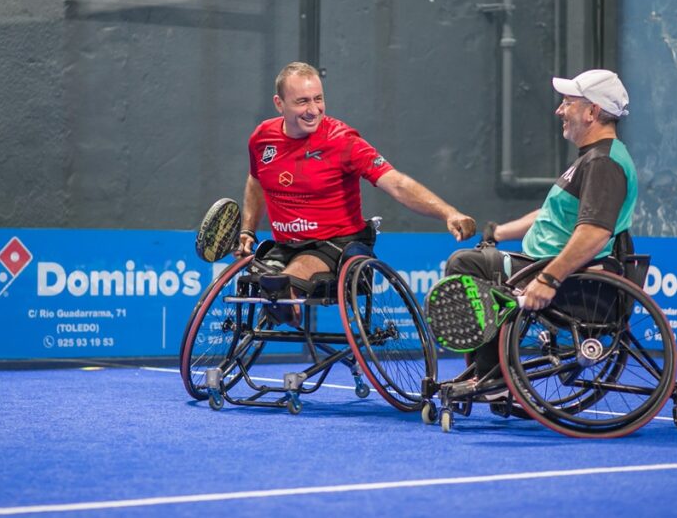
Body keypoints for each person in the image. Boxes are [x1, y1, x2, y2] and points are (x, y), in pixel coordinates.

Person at [237, 62, 476, 323]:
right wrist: (248, 229)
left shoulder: (343, 141)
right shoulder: (262, 139)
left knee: (282, 284)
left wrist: (448, 213)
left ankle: (285, 303)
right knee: (261, 280)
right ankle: (277, 313)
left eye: (318, 99)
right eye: (302, 101)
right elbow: (256, 181)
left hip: (334, 245)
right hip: (283, 246)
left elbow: (396, 183)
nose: (313, 109)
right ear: (279, 104)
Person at [446, 68, 638, 381]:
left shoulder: (604, 163)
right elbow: (552, 216)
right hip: (545, 265)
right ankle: (489, 371)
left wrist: (548, 279)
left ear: (592, 111)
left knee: (467, 264)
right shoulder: (593, 158)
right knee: (478, 261)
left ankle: (491, 376)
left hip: (570, 282)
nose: (559, 110)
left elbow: (594, 232)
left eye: (568, 103)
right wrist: (499, 233)